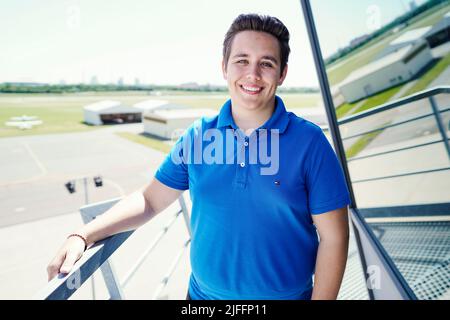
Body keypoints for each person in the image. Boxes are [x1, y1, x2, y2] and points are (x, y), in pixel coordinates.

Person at [47, 13, 351, 300]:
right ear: (224, 68)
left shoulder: (310, 143)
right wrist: (83, 234)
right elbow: (151, 200)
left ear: (282, 73)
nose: (252, 74)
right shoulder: (197, 137)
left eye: (267, 64)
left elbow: (334, 238)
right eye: (241, 61)